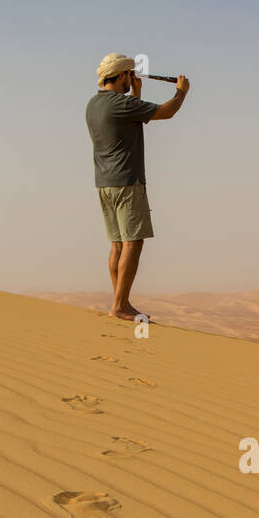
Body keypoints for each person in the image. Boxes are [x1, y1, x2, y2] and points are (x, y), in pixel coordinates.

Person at [86, 53, 190, 320]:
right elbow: (167, 112)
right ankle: (119, 305)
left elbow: (126, 115)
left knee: (117, 244)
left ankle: (120, 301)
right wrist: (181, 92)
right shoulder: (121, 105)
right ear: (122, 76)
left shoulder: (94, 104)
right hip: (127, 182)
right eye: (130, 74)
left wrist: (136, 93)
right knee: (134, 242)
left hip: (104, 183)